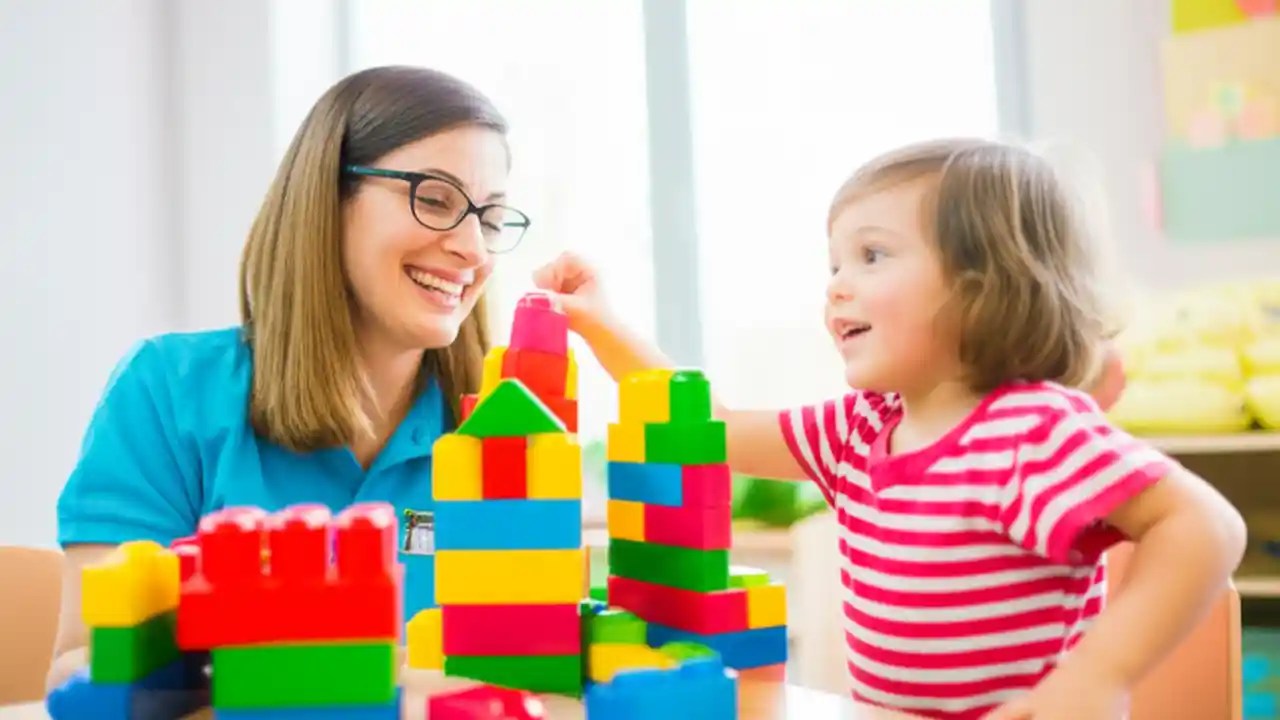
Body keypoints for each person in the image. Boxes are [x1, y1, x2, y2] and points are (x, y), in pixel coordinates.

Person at [534, 138, 1247, 720]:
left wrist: (1099, 675)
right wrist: (603, 326)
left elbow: (1205, 526)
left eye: (871, 256)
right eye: (834, 264)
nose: (837, 285)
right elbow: (704, 425)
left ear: (984, 284)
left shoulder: (1028, 430)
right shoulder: (858, 430)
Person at [47, 65, 530, 690]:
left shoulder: (504, 430)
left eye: (491, 219)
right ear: (325, 200)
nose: (474, 249)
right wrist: (335, 683)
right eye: (434, 199)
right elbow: (82, 669)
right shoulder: (167, 391)